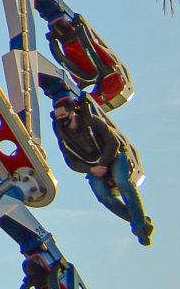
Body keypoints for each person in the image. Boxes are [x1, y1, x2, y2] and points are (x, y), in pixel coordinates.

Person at [47, 90, 154, 245]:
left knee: (122, 182)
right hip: (93, 167)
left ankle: (139, 229)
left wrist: (103, 163)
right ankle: (140, 221)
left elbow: (113, 143)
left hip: (114, 157)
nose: (60, 119)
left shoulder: (93, 122)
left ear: (72, 113)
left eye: (62, 115)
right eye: (58, 117)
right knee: (102, 195)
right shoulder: (63, 138)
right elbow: (71, 162)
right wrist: (91, 169)